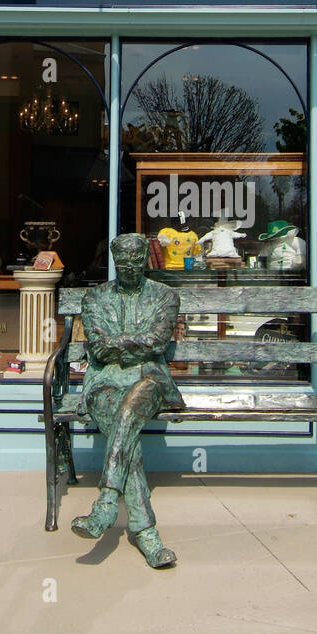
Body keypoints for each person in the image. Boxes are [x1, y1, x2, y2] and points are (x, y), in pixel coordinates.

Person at [71, 232, 184, 568]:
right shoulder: (95, 298)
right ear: (114, 260)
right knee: (127, 434)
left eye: (137, 260)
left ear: (146, 259)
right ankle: (146, 532)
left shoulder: (165, 295)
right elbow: (99, 347)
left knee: (130, 410)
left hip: (149, 379)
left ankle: (106, 506)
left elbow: (158, 342)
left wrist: (120, 343)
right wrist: (133, 342)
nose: (130, 267)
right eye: (123, 262)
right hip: (104, 382)